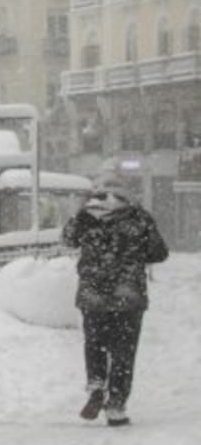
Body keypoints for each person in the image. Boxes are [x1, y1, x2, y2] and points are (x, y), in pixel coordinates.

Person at [63, 173, 168, 426]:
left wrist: (78, 216)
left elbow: (67, 239)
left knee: (95, 343)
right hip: (128, 294)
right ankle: (116, 406)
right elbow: (159, 252)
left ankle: (97, 385)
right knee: (124, 351)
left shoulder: (86, 217)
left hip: (93, 293)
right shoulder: (138, 217)